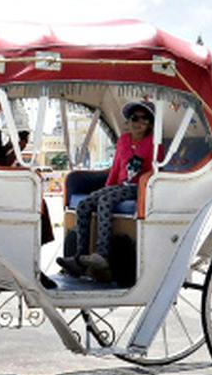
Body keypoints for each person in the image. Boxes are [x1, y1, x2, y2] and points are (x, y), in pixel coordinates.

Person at [56, 101, 162, 283]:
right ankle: (79, 259)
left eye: (144, 119)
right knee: (84, 205)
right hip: (120, 186)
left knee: (105, 202)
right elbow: (115, 169)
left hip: (139, 187)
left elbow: (157, 169)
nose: (139, 122)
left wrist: (140, 184)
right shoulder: (123, 141)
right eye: (134, 118)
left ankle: (102, 255)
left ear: (150, 124)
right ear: (129, 121)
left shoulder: (153, 143)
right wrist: (107, 186)